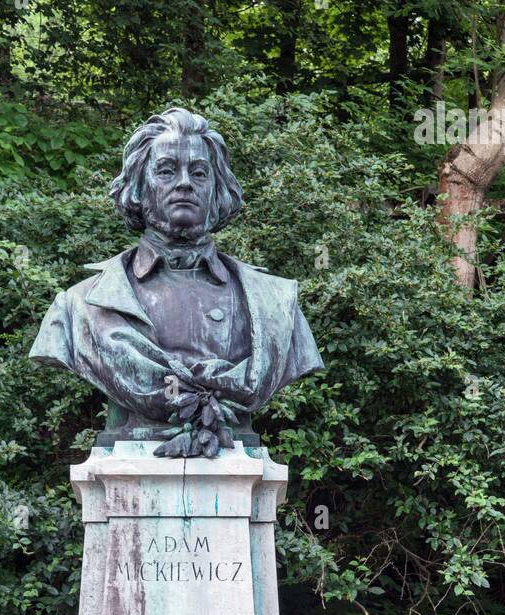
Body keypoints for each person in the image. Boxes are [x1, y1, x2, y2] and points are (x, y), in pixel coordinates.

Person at [29, 107, 323, 451]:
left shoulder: (274, 303)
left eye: (199, 173)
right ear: (138, 187)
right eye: (167, 170)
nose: (185, 182)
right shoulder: (80, 306)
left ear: (218, 190)